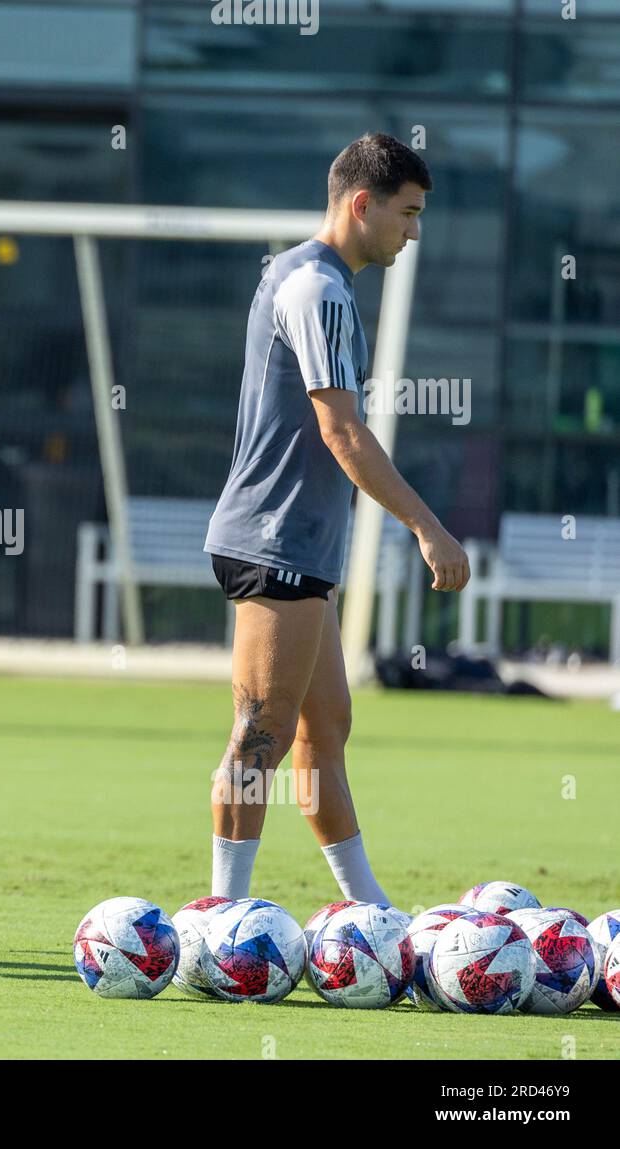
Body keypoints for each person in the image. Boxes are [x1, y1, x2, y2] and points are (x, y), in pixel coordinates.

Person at [202, 132, 470, 905]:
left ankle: (369, 912)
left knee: (326, 730)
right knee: (261, 733)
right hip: (273, 537)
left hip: (301, 542)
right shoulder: (317, 288)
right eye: (408, 214)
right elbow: (341, 430)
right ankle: (223, 916)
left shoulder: (313, 280)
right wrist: (427, 526)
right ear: (363, 204)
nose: (413, 233)